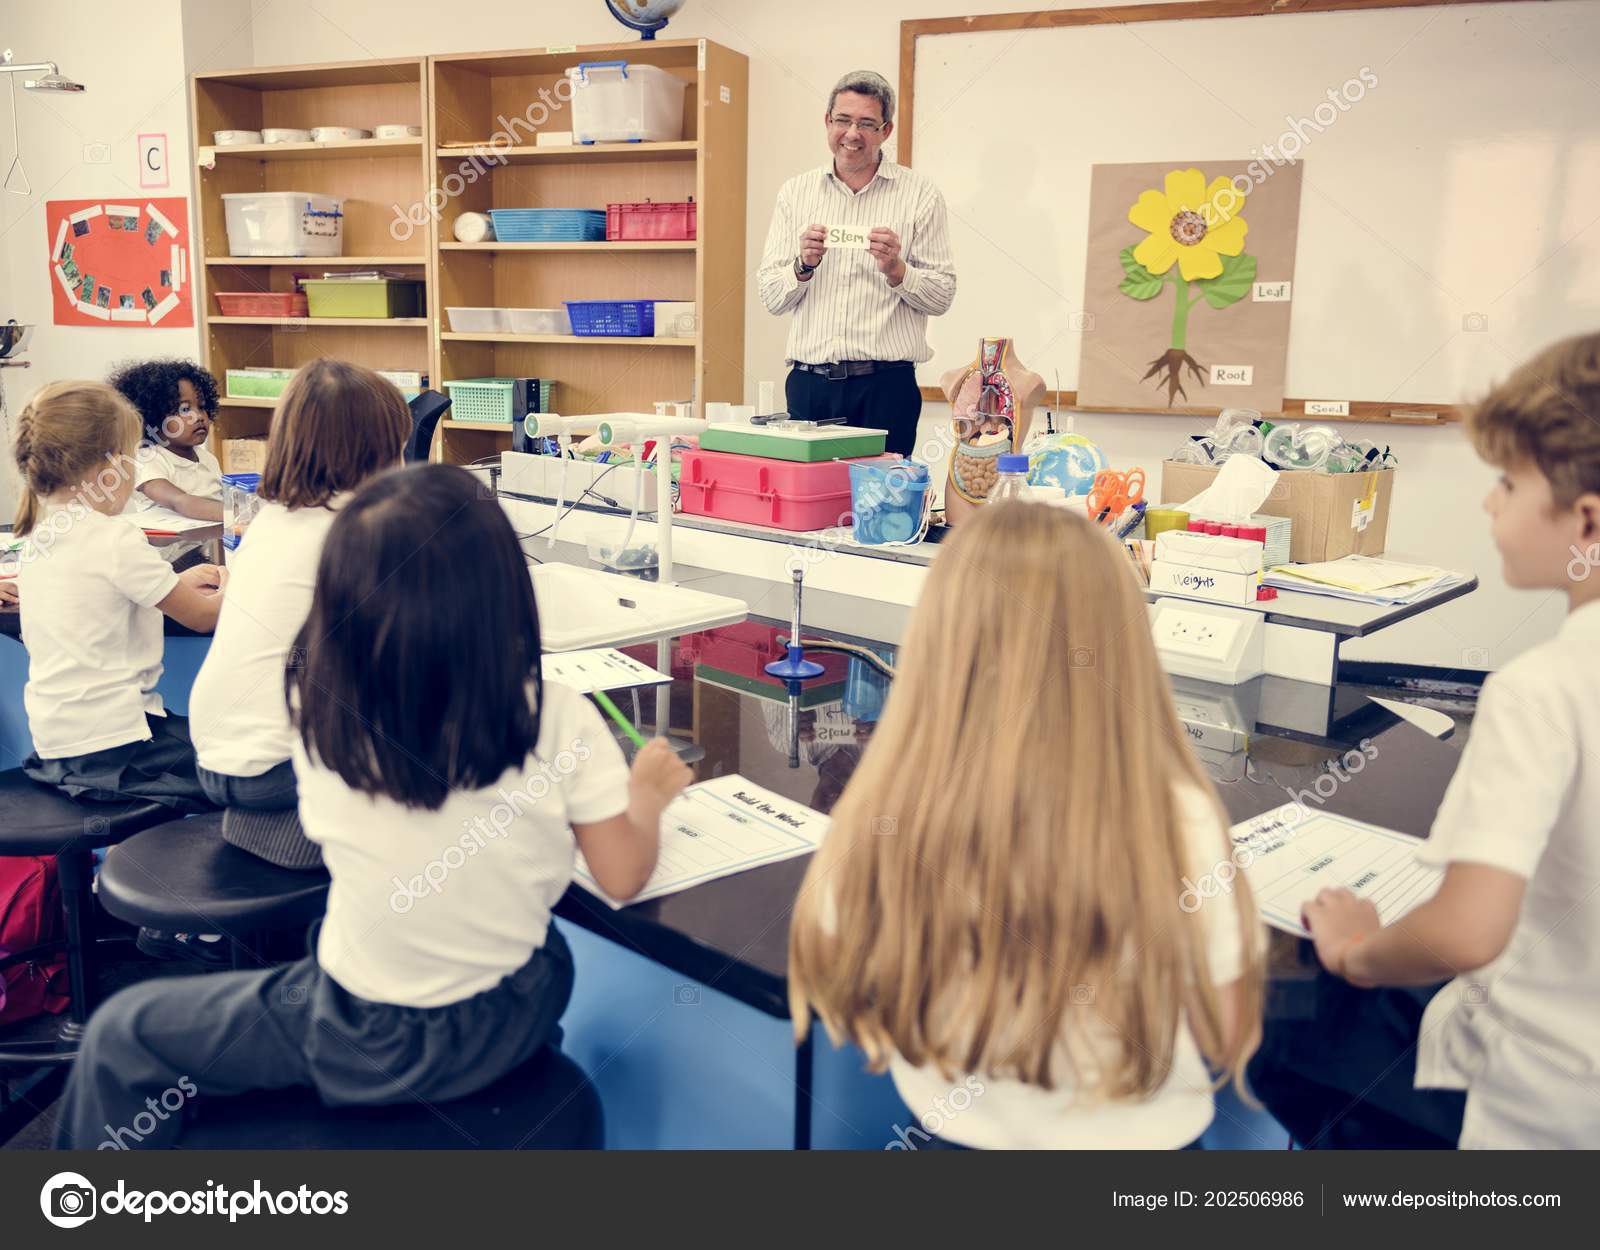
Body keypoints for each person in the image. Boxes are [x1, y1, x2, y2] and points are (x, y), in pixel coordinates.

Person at [54, 464, 691, 1149]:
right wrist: (647, 797)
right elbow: (622, 875)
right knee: (543, 946)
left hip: (354, 1026)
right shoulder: (555, 715)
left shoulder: (318, 711)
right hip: (510, 1016)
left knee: (124, 1037)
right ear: (504, 589)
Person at [787, 502, 1263, 1148]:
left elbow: (851, 983)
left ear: (939, 637)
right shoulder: (1179, 817)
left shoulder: (883, 810)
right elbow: (1226, 1035)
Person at [1256, 332, 1600, 1149]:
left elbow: (1464, 932)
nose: (1490, 504)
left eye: (1509, 483)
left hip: (1534, 1101)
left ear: (1586, 519)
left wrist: (1356, 948)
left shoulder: (1543, 689)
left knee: (1277, 1034)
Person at [188, 359, 410, 870]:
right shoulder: (355, 535)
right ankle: (311, 848)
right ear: (376, 451)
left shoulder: (272, 520)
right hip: (272, 771)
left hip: (216, 758)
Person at [11, 380, 224, 813]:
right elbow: (203, 618)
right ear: (107, 467)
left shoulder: (39, 537)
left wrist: (178, 584)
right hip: (119, 749)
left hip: (57, 746)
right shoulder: (115, 538)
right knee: (244, 763)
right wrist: (243, 579)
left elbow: (103, 595)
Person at [757, 69, 956, 456]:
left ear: (886, 130)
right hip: (809, 385)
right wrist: (802, 265)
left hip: (886, 386)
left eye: (867, 123)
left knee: (884, 508)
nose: (852, 134)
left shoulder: (920, 195)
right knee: (811, 510)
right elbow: (771, 297)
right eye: (843, 120)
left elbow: (942, 296)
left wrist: (897, 270)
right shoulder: (795, 193)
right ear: (827, 121)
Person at [109, 358, 224, 521]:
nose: (198, 416)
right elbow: (179, 501)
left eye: (202, 406)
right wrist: (236, 515)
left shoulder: (208, 460)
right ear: (153, 415)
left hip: (202, 544)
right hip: (159, 547)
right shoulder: (148, 460)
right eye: (184, 409)